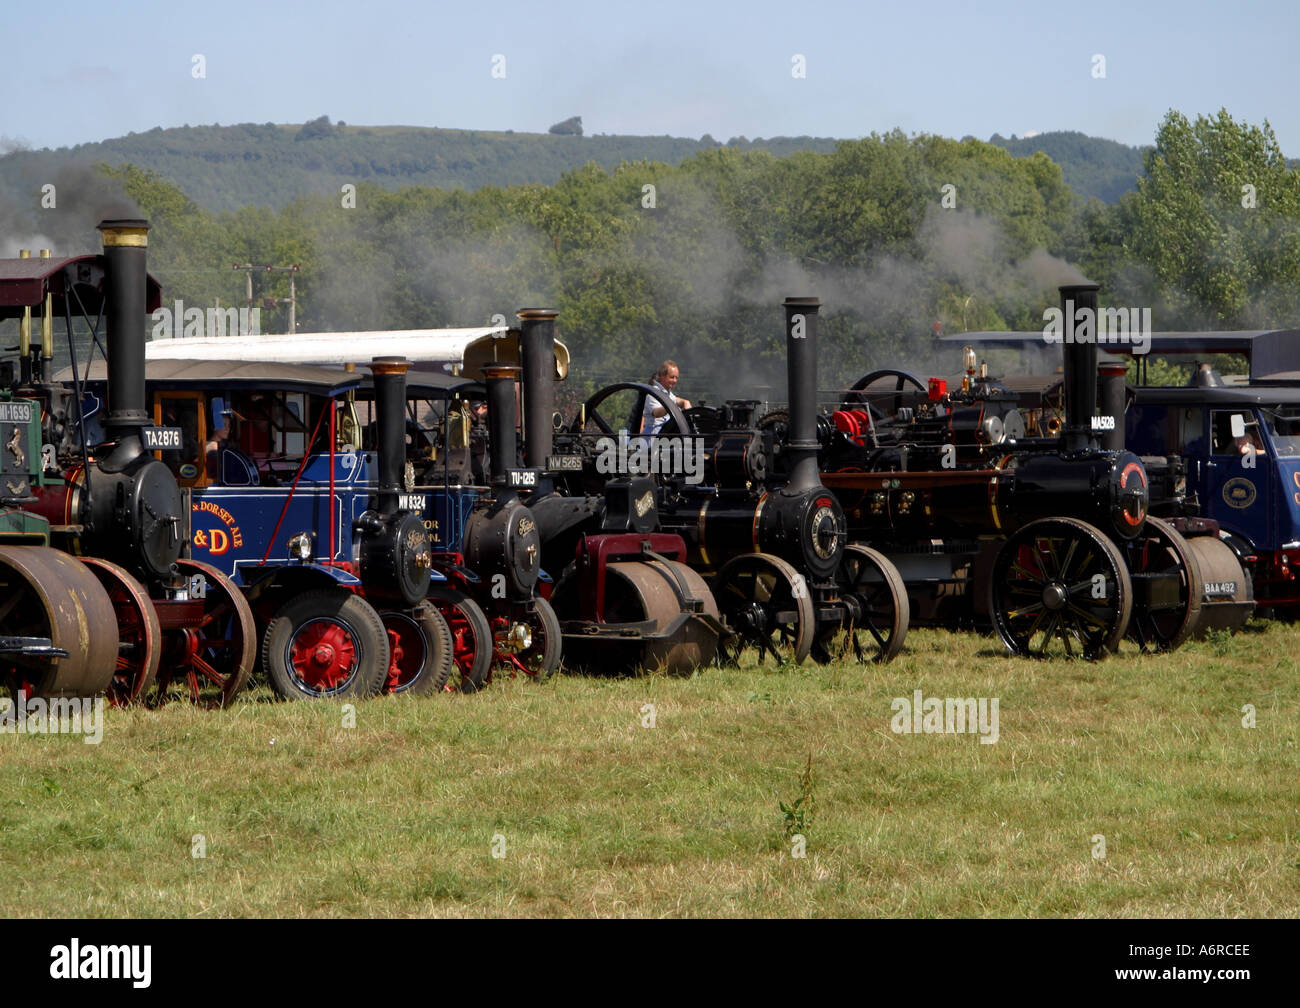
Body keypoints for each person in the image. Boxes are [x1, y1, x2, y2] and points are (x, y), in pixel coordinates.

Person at [641, 360, 691, 436]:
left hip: (665, 435)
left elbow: (676, 400)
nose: (674, 380)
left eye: (676, 378)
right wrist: (673, 407)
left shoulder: (668, 394)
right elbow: (657, 413)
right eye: (672, 377)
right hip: (653, 437)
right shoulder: (652, 393)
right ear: (662, 376)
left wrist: (685, 403)